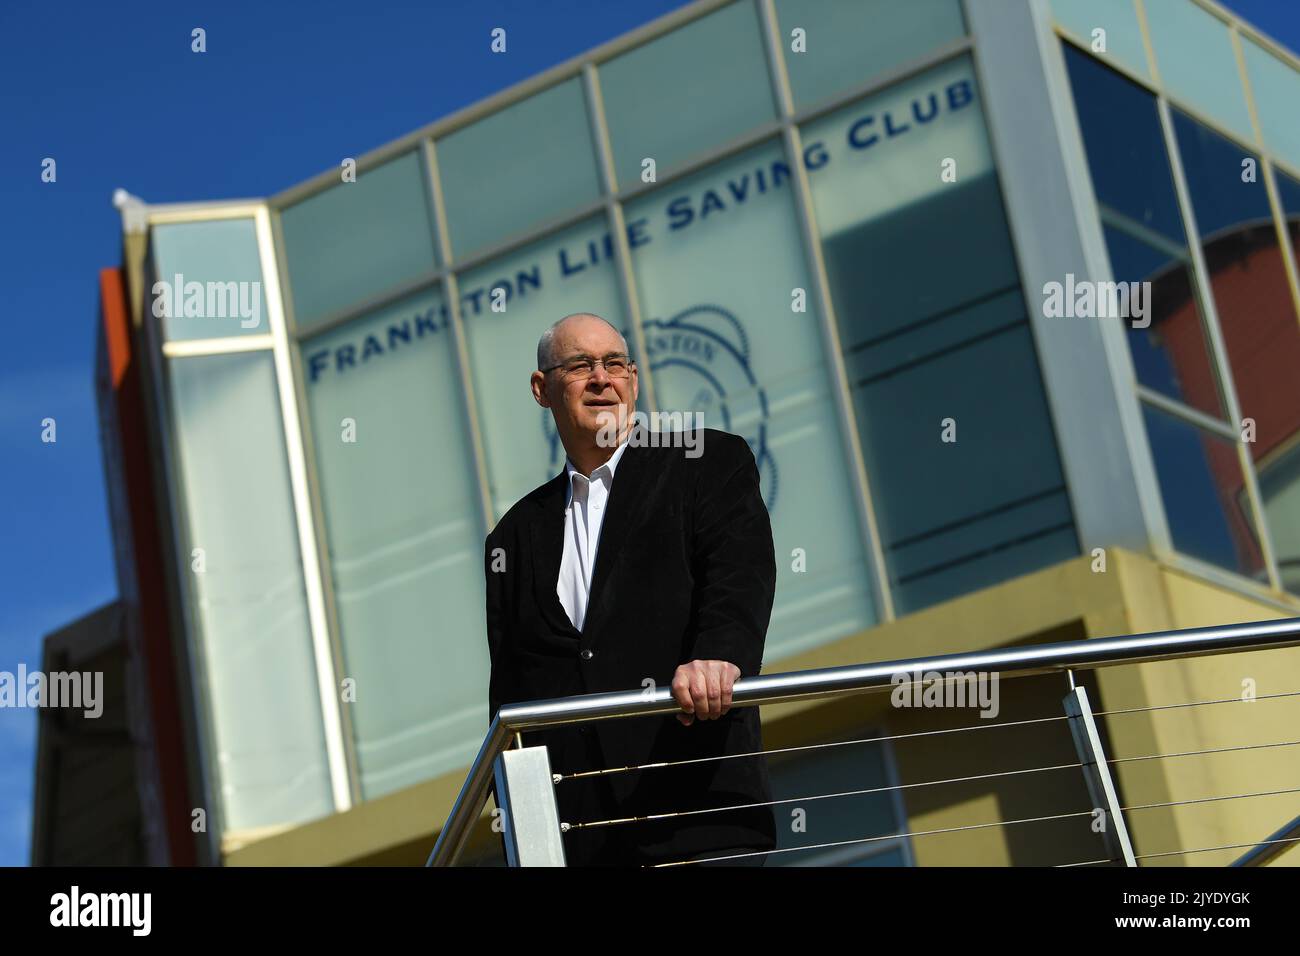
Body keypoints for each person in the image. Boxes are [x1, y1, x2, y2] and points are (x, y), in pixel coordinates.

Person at [484, 312, 778, 867]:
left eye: (614, 363)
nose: (601, 378)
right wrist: (519, 825)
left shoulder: (706, 461)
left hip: (697, 811)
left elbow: (740, 575)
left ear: (634, 381)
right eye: (579, 365)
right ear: (541, 389)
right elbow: (510, 691)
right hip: (581, 839)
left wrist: (719, 657)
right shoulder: (515, 534)